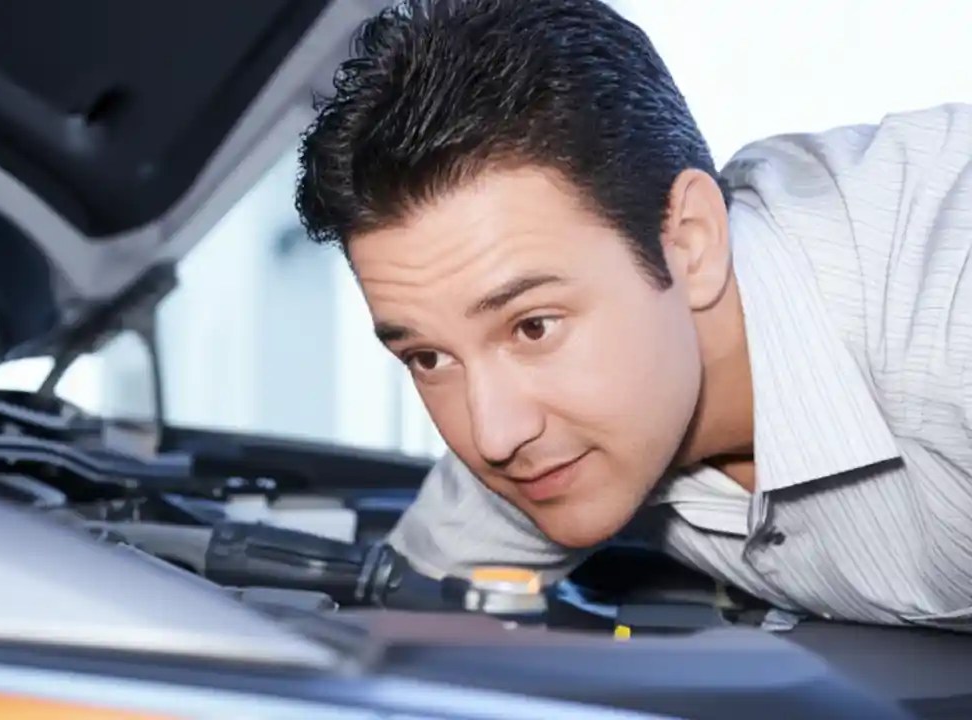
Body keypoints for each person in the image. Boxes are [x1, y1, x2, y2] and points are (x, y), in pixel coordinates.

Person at [293, 0, 972, 629]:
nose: (493, 436)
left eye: (533, 326)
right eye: (428, 357)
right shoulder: (544, 434)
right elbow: (412, 628)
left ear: (690, 243)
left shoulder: (944, 310)